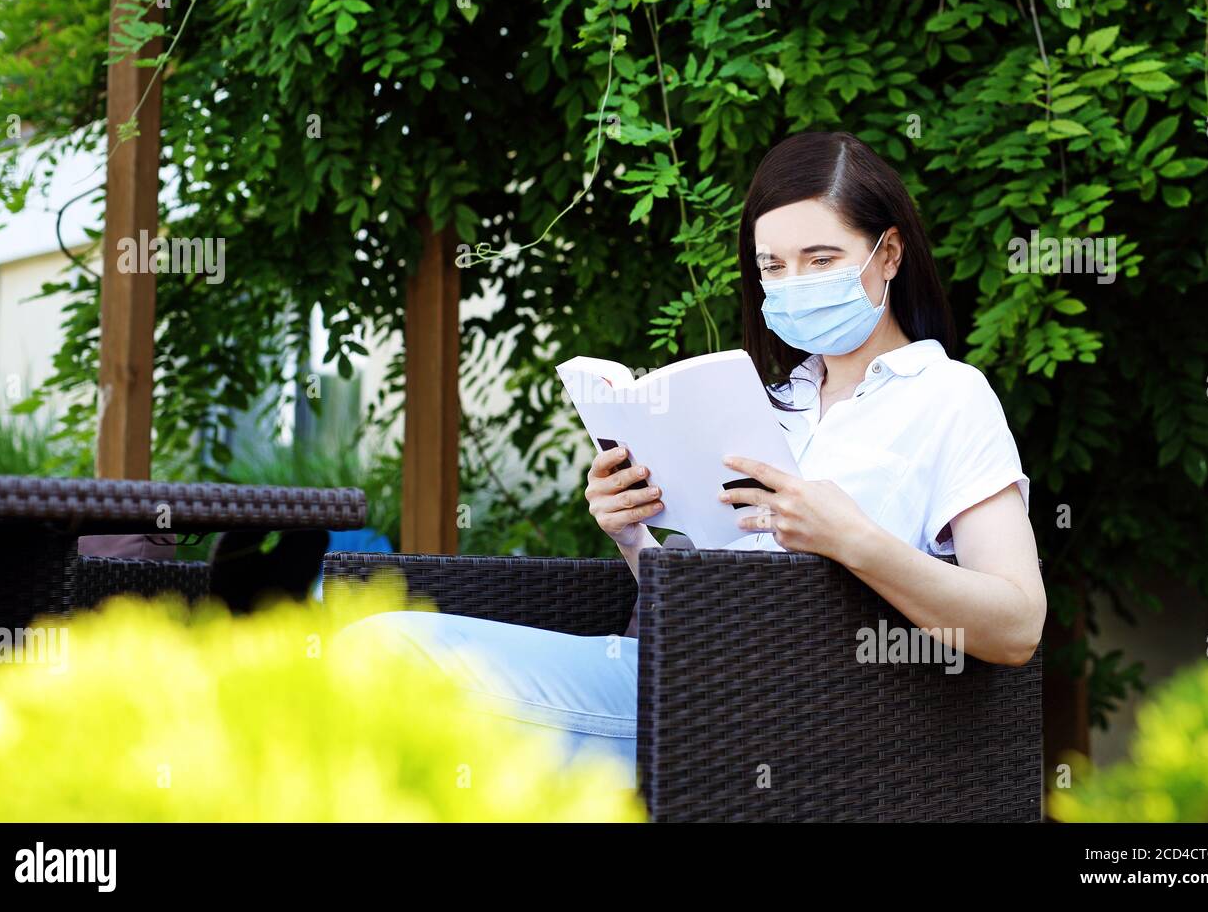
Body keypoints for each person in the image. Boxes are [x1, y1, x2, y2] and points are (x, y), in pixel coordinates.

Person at [343, 131, 1047, 789]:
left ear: (887, 255)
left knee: (385, 660)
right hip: (676, 675)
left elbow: (1015, 625)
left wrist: (852, 539)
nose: (794, 282)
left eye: (821, 259)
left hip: (779, 721)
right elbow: (710, 596)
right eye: (773, 265)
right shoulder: (766, 402)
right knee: (364, 646)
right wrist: (632, 534)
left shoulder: (948, 397)